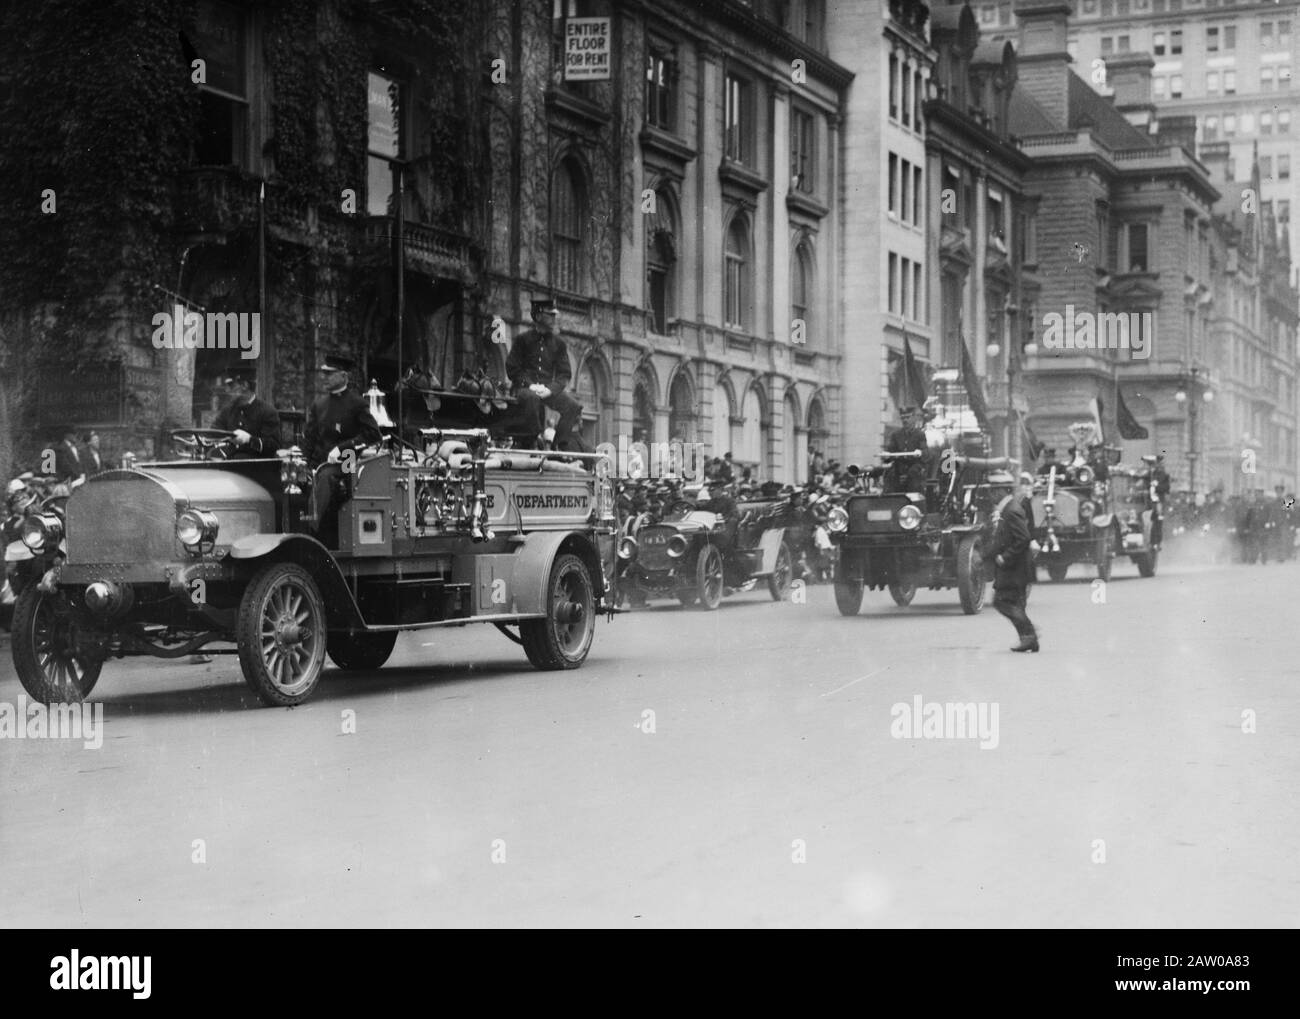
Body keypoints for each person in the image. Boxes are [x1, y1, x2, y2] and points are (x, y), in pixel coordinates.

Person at [505, 297, 587, 452]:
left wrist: (550, 389)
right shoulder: (522, 340)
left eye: (554, 315)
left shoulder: (559, 344)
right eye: (550, 315)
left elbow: (564, 374)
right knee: (531, 398)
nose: (554, 318)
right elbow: (512, 367)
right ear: (538, 316)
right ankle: (531, 441)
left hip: (547, 389)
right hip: (524, 388)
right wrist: (530, 385)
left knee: (573, 406)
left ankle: (559, 446)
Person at [986, 472, 1039, 652]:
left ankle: (1030, 635)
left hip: (1015, 568)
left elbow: (1023, 538)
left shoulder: (1011, 510)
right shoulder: (1006, 509)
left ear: (1003, 491)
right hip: (1013, 568)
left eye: (995, 490)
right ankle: (1028, 639)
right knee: (1013, 603)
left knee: (1002, 602)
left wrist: (1005, 557)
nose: (991, 494)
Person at [303, 354, 383, 467]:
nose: (325, 377)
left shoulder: (357, 404)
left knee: (327, 479)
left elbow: (374, 435)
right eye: (324, 373)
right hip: (320, 465)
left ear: (343, 376)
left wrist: (342, 448)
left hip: (346, 464)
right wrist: (304, 464)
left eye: (330, 374)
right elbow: (309, 440)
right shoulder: (319, 405)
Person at [213, 369, 282, 457]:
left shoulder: (267, 412)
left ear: (244, 385)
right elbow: (215, 432)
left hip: (256, 468)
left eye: (231, 385)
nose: (227, 390)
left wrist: (249, 440)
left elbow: (274, 446)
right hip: (228, 464)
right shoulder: (227, 410)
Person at [883, 406, 930, 494]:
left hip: (913, 465)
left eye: (907, 417)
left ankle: (913, 499)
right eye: (903, 418)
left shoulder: (919, 435)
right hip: (899, 466)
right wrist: (886, 455)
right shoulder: (896, 435)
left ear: (913, 418)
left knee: (913, 474)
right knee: (890, 474)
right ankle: (891, 499)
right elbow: (890, 451)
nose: (905, 420)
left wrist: (920, 452)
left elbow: (926, 453)